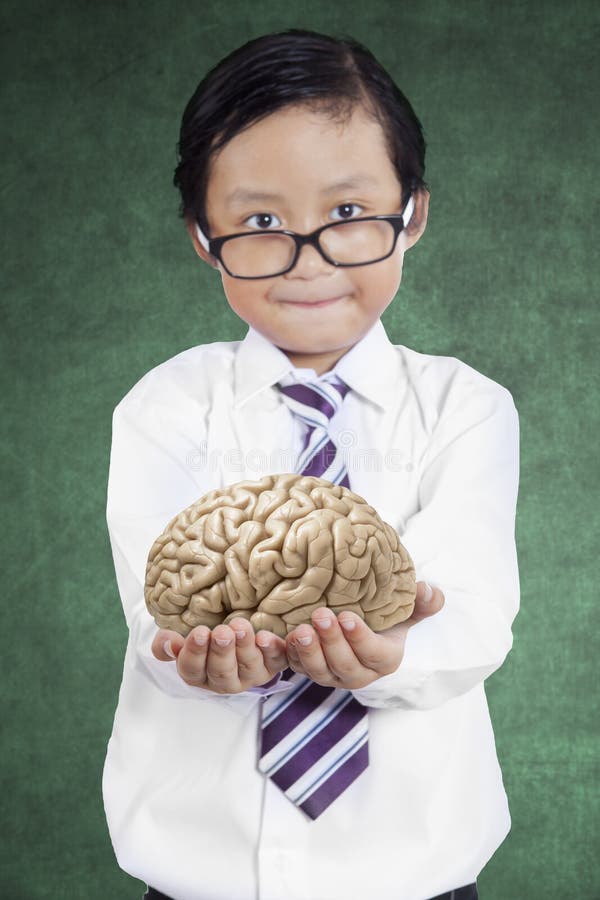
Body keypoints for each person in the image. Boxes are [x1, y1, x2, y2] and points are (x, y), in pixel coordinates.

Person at [103, 29, 520, 900]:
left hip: (416, 880)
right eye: (260, 223)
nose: (310, 260)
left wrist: (393, 647)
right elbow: (158, 620)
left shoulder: (464, 407)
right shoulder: (164, 406)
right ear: (201, 237)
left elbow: (472, 620)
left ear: (413, 214)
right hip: (195, 879)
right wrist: (190, 657)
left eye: (346, 214)